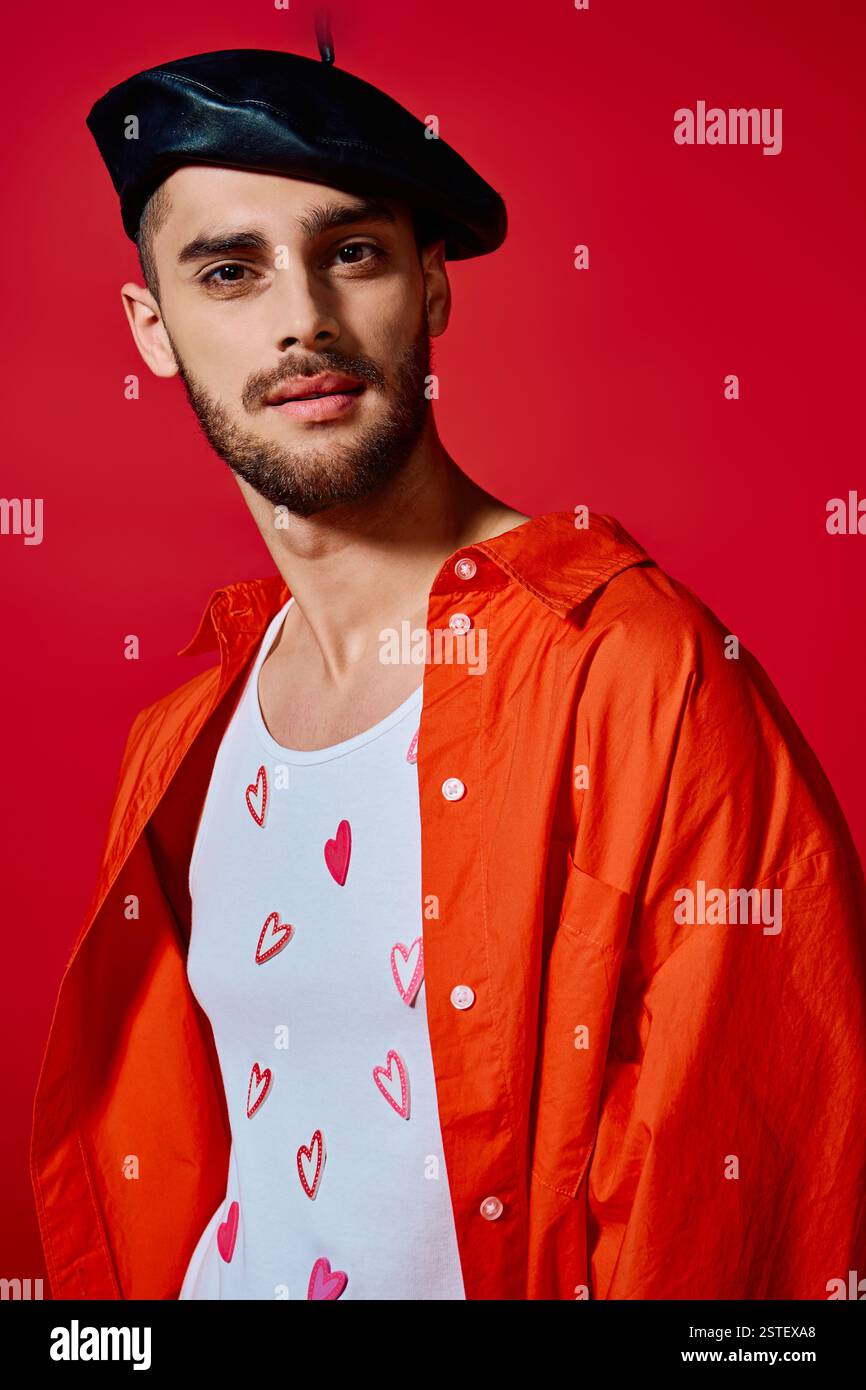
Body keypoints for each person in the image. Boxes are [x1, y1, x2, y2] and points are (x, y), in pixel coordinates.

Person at [30, 38, 866, 1301]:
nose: (301, 315)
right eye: (229, 270)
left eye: (351, 252)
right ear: (155, 329)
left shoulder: (635, 672)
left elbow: (748, 1196)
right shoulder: (188, 734)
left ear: (431, 287)